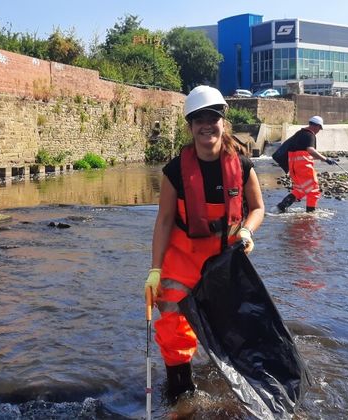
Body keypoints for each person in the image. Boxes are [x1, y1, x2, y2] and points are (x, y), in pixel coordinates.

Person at [143, 85, 265, 403]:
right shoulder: (174, 172)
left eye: (212, 117)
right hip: (182, 259)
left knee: (234, 327)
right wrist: (155, 269)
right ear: (190, 126)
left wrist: (248, 232)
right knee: (173, 326)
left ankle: (233, 391)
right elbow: (165, 220)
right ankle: (181, 394)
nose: (206, 125)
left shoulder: (243, 166)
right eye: (199, 119)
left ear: (223, 122)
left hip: (224, 261)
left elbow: (257, 208)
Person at [275, 116, 336, 213]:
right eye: (320, 128)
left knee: (300, 190)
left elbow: (303, 152)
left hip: (294, 168)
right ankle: (310, 214)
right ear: (316, 126)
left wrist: (322, 158)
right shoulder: (309, 135)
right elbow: (310, 150)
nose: (319, 131)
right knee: (313, 191)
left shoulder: (299, 134)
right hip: (303, 167)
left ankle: (281, 207)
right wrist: (326, 159)